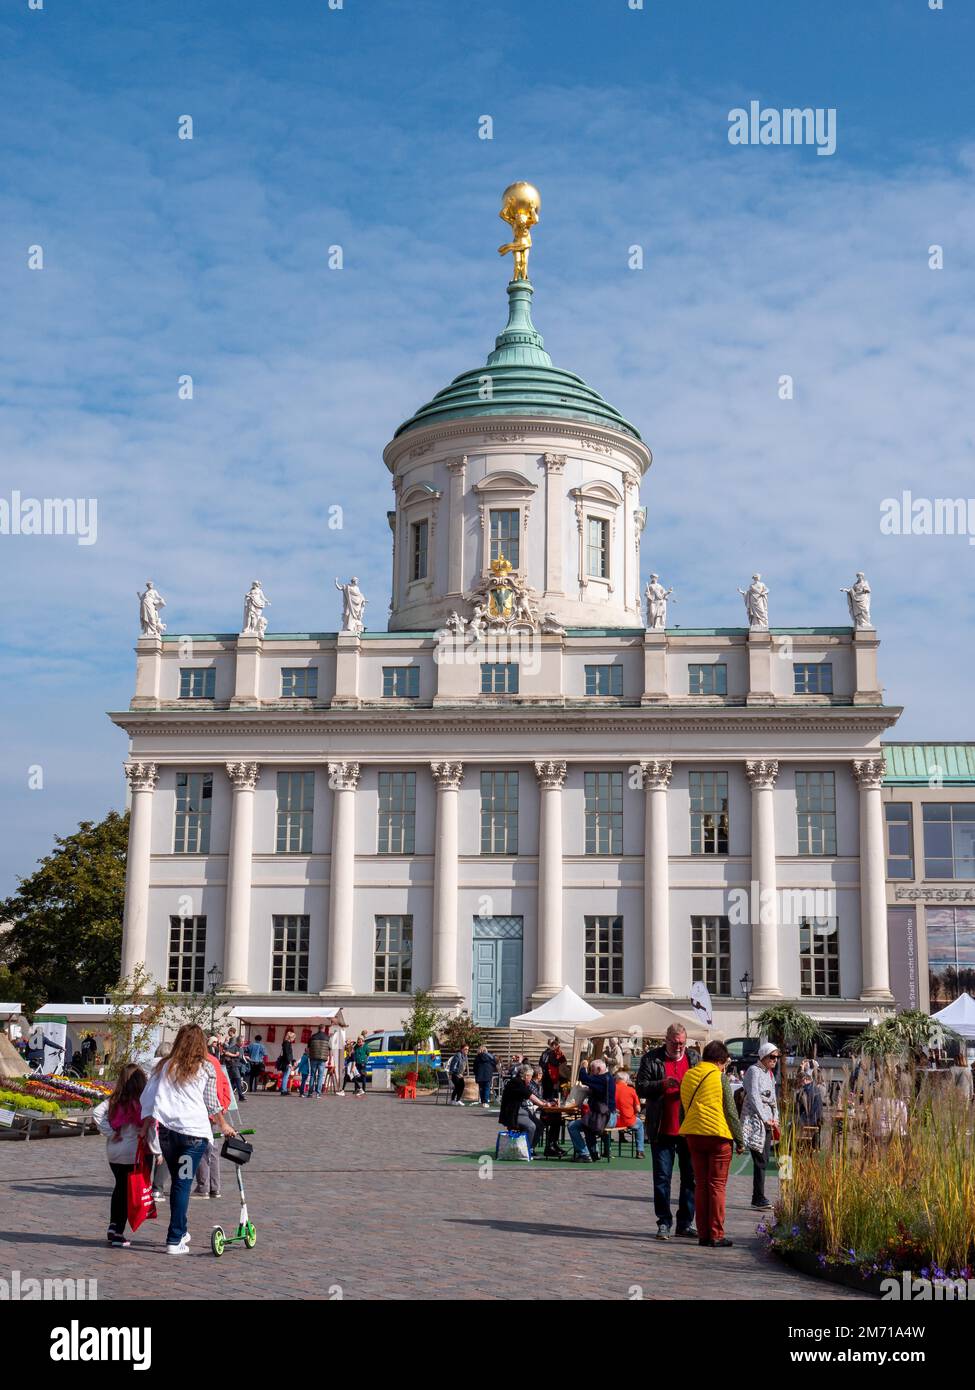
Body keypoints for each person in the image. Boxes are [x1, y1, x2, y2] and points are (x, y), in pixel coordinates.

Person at [139, 1023, 237, 1254]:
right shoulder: (205, 1068)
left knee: (178, 1184)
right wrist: (223, 1125)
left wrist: (144, 1127)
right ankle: (174, 1239)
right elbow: (212, 1103)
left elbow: (149, 1098)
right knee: (182, 1185)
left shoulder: (165, 1066)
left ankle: (181, 1230)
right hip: (192, 1136)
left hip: (168, 1134)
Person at [636, 1024, 700, 1240]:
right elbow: (641, 1087)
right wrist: (663, 1084)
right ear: (666, 1039)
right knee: (662, 1177)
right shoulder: (652, 1058)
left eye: (682, 1042)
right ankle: (664, 1222)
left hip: (688, 1129)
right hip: (662, 1127)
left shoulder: (693, 1058)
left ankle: (685, 1223)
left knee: (690, 1178)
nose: (678, 1046)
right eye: (674, 1042)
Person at [679, 1041, 745, 1248]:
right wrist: (740, 1140)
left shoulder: (689, 1075)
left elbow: (684, 1106)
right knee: (716, 1186)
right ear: (720, 1061)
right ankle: (716, 1233)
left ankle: (703, 1234)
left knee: (700, 1185)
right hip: (718, 1135)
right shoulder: (719, 1077)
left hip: (694, 1134)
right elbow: (731, 1111)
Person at [93, 1063, 148, 1248]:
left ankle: (113, 1225)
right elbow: (151, 1126)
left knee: (119, 1188)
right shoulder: (142, 1102)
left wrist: (110, 1132)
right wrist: (157, 1151)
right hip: (131, 1152)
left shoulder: (115, 1099)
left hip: (114, 1151)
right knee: (127, 1192)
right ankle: (118, 1232)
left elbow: (96, 1112)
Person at [741, 1042, 780, 1212]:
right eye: (772, 1057)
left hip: (768, 1120)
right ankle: (758, 1196)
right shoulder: (753, 1071)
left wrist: (775, 1117)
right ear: (763, 1056)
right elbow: (755, 1095)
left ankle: (759, 1195)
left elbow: (773, 1098)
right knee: (760, 1158)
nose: (775, 1060)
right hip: (756, 1119)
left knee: (763, 1158)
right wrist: (765, 1118)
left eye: (777, 1057)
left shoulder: (770, 1074)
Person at [192, 1037, 232, 1199]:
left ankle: (203, 1186)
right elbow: (224, 1085)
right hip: (215, 1110)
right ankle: (215, 1186)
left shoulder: (199, 1062)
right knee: (212, 1148)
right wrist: (223, 1106)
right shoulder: (214, 1061)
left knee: (201, 1147)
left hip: (203, 1110)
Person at [499, 1064, 558, 1152]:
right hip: (513, 1113)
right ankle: (525, 1150)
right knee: (531, 1126)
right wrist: (543, 1104)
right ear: (526, 1076)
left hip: (519, 1111)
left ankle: (531, 1148)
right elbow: (530, 1095)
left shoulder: (520, 1082)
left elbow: (532, 1095)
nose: (530, 1080)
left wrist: (544, 1103)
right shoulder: (517, 1082)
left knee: (540, 1125)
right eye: (530, 1077)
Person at [568, 1059, 616, 1162]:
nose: (591, 1072)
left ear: (599, 1069)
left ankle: (584, 1153)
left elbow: (584, 1078)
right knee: (587, 1124)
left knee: (573, 1126)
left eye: (592, 1070)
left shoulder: (601, 1079)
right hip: (609, 1115)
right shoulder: (609, 1078)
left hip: (603, 1118)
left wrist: (583, 1066)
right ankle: (594, 1152)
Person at [609, 1069, 645, 1157]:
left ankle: (608, 1150)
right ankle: (639, 1151)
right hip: (628, 1120)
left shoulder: (609, 1089)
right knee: (640, 1125)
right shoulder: (631, 1090)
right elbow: (638, 1109)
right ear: (626, 1080)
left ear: (616, 1079)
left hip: (612, 1121)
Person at [222, 1027, 246, 1104]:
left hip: (238, 1066)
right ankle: (241, 1096)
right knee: (238, 1080)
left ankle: (226, 1095)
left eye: (243, 1041)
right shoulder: (234, 1047)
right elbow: (226, 1053)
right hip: (233, 1066)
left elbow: (241, 1056)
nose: (242, 1042)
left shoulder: (241, 1048)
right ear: (238, 1041)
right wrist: (234, 1055)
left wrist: (245, 1060)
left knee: (232, 1082)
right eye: (241, 1041)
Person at [307, 1024, 331, 1098]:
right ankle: (318, 1093)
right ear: (323, 1029)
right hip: (322, 1059)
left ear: (318, 1028)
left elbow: (308, 1048)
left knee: (312, 1075)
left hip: (313, 1058)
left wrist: (309, 1056)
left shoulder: (312, 1037)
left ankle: (310, 1093)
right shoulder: (327, 1038)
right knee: (320, 1076)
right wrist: (330, 1059)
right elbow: (330, 1050)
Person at [278, 1027, 297, 1095]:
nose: (294, 1039)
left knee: (285, 1076)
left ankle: (284, 1089)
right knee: (286, 1076)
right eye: (293, 1038)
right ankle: (283, 1090)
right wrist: (289, 1063)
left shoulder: (285, 1043)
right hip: (286, 1062)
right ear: (290, 1037)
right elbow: (287, 1054)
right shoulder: (287, 1044)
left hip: (285, 1062)